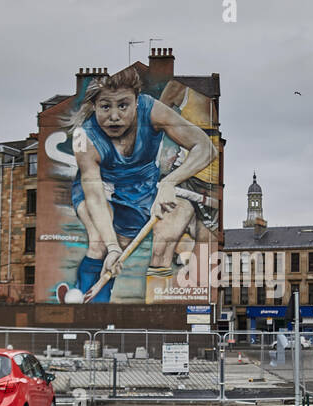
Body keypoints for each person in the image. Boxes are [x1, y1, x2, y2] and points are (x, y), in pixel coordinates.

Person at [66, 68, 217, 301]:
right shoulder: (83, 138)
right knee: (101, 243)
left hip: (141, 191)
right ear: (94, 106)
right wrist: (112, 246)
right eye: (105, 107)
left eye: (123, 106)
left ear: (136, 102)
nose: (114, 116)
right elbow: (95, 196)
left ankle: (88, 293)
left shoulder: (152, 110)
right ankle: (89, 313)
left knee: (122, 247)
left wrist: (169, 182)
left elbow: (206, 148)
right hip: (100, 189)